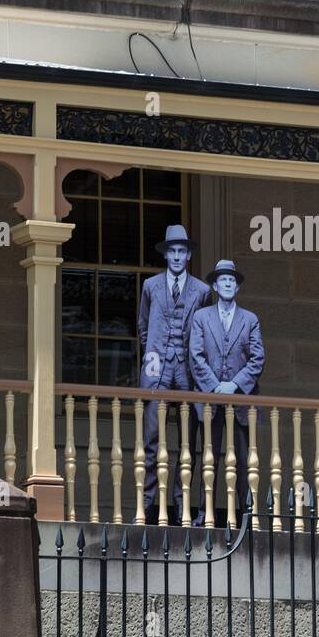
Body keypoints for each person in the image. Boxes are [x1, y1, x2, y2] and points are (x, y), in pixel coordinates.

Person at [138, 224, 210, 525]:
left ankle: (183, 509)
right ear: (166, 254)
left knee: (186, 444)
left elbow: (204, 330)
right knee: (152, 438)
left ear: (189, 254)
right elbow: (142, 326)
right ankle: (146, 505)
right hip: (157, 368)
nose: (178, 256)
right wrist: (153, 353)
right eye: (173, 251)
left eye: (182, 251)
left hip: (187, 371)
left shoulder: (202, 291)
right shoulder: (151, 286)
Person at [189, 260, 264, 521]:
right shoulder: (201, 317)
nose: (228, 283)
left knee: (244, 462)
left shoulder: (250, 319)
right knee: (210, 459)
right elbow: (196, 356)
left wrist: (233, 385)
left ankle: (247, 515)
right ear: (214, 285)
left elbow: (257, 359)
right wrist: (215, 387)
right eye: (223, 279)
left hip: (241, 401)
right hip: (210, 400)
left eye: (232, 280)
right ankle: (204, 512)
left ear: (238, 287)